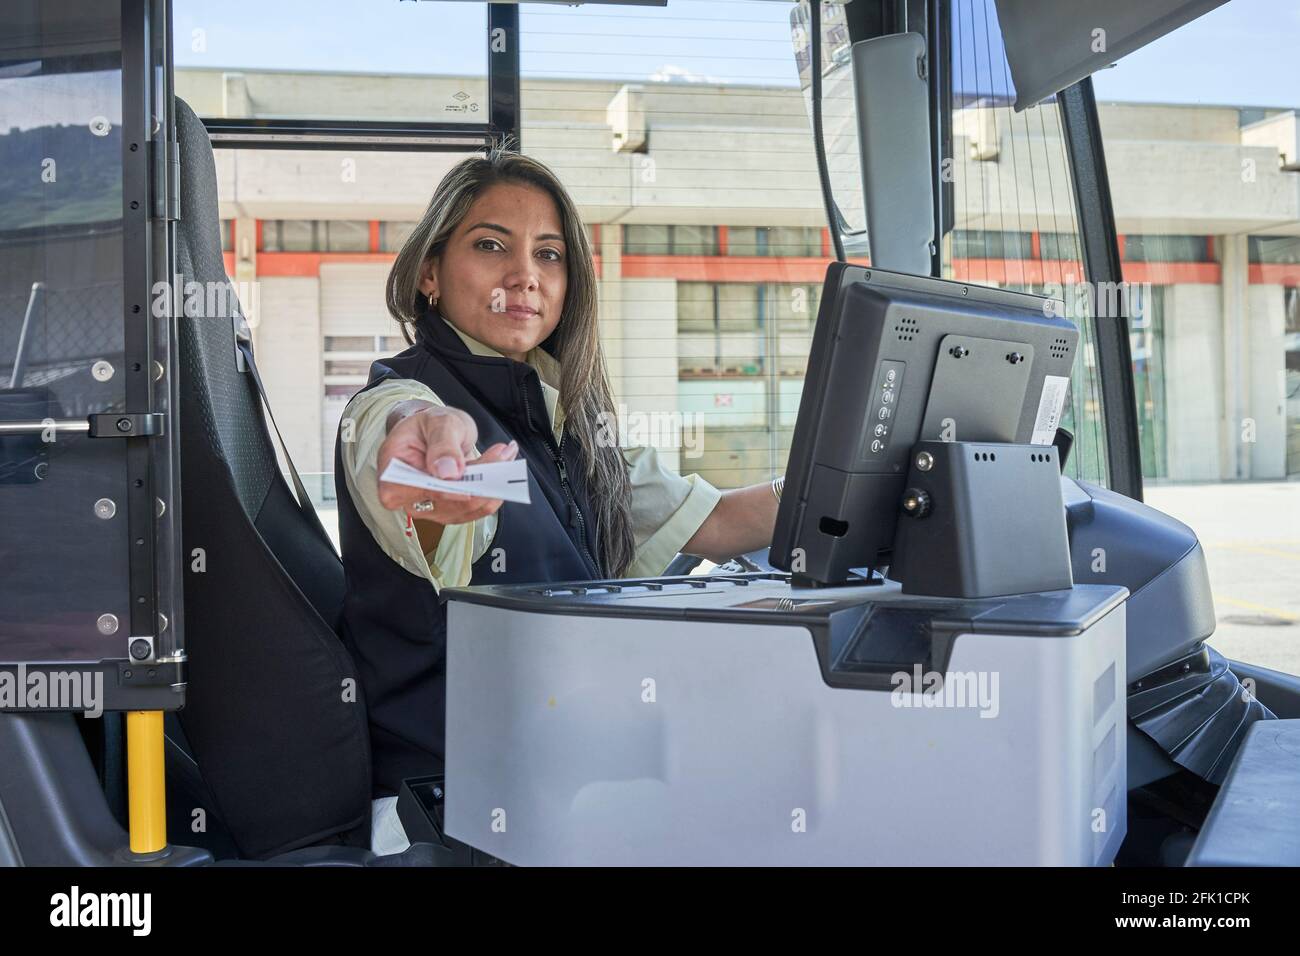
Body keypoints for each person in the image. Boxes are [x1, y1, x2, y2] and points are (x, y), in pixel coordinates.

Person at [334, 148, 784, 854]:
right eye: (490, 246)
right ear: (428, 272)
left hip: (558, 763)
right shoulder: (403, 399)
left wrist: (850, 478)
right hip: (455, 808)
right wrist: (426, 457)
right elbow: (398, 446)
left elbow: (722, 518)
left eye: (549, 255)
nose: (525, 276)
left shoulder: (561, 417)